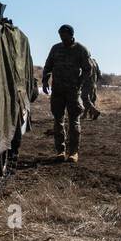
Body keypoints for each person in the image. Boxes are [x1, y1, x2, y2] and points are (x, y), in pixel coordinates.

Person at [41, 24, 94, 162]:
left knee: (73, 121)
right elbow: (48, 65)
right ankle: (60, 151)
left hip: (72, 91)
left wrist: (79, 83)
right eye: (60, 35)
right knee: (58, 121)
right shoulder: (56, 48)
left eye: (65, 35)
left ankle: (73, 152)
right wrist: (45, 80)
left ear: (71, 35)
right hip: (57, 90)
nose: (62, 38)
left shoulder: (81, 50)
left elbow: (88, 70)